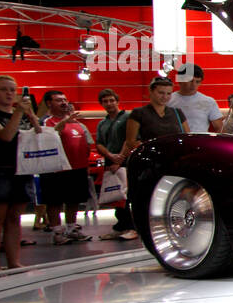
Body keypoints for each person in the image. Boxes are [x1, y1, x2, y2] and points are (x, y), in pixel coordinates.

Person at [0, 75, 40, 272]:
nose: (10, 93)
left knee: (14, 218)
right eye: (4, 89)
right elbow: (6, 135)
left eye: (12, 89)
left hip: (19, 170)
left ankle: (13, 261)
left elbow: (38, 133)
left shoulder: (18, 113)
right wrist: (19, 113)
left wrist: (30, 114)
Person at [39, 89, 95, 244]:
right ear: (49, 103)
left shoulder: (76, 123)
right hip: (55, 169)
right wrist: (64, 121)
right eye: (59, 100)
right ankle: (57, 232)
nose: (64, 102)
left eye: (65, 99)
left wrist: (85, 164)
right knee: (54, 202)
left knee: (73, 200)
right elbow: (47, 137)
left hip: (77, 168)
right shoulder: (46, 121)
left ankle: (71, 229)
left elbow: (86, 144)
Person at [94, 88, 136, 240]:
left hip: (125, 161)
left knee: (126, 196)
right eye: (105, 101)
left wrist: (120, 159)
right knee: (115, 196)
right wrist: (110, 156)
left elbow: (130, 139)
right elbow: (99, 143)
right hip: (110, 161)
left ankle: (132, 227)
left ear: (117, 101)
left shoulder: (127, 117)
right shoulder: (102, 123)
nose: (109, 103)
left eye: (111, 100)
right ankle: (120, 227)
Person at [122, 77, 188, 155]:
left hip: (175, 157)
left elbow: (187, 137)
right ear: (151, 91)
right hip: (151, 158)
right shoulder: (138, 113)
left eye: (169, 93)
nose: (165, 97)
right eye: (161, 93)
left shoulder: (177, 112)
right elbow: (130, 142)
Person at [167, 63, 223, 133]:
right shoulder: (168, 100)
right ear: (180, 80)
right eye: (190, 81)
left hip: (199, 142)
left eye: (197, 82)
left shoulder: (209, 101)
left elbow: (219, 128)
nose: (194, 85)